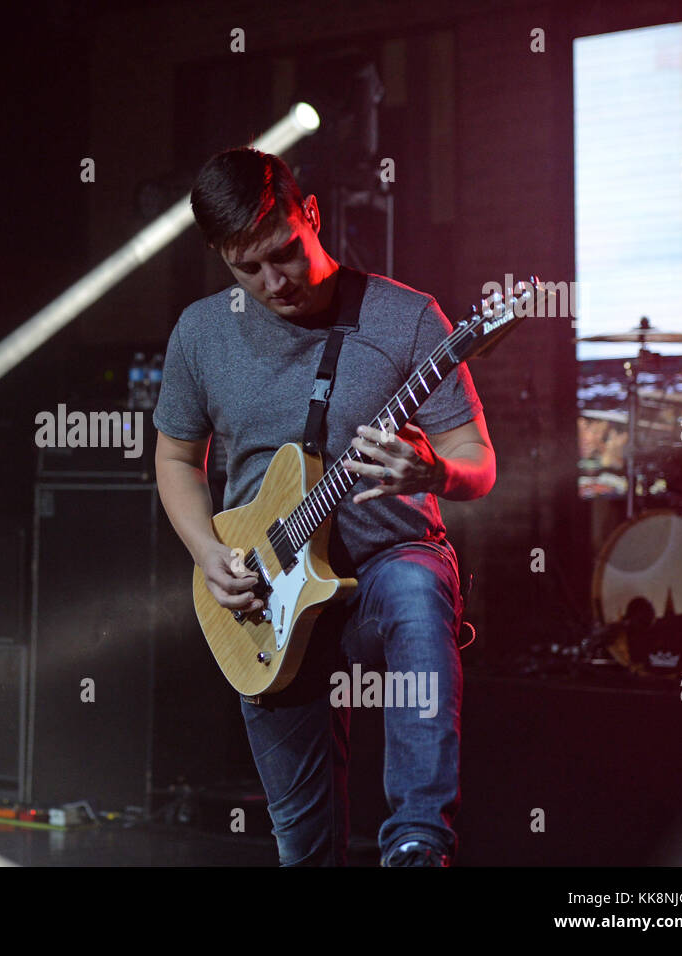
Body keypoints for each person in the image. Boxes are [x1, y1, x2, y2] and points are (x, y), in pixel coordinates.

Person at [153, 147, 495, 866]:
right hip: (268, 594)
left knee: (416, 583)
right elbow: (177, 459)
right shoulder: (201, 333)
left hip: (381, 568)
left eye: (285, 252)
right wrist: (206, 553)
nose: (275, 281)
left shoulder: (406, 318)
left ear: (311, 215)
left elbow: (480, 466)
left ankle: (417, 839)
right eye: (250, 268)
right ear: (221, 257)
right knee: (304, 850)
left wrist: (432, 470)